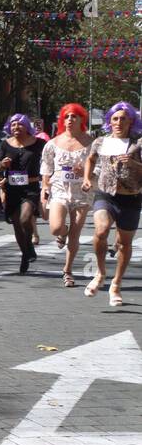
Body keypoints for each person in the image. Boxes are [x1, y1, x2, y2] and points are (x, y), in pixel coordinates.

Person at [82, 101, 142, 306]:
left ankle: (116, 284)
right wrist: (87, 178)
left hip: (131, 197)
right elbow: (90, 159)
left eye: (123, 118)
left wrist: (133, 162)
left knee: (124, 244)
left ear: (131, 121)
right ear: (109, 121)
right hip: (105, 194)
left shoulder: (139, 143)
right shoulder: (100, 141)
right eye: (114, 119)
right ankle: (100, 274)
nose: (118, 122)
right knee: (101, 230)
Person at [41, 103, 93, 288]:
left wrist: (86, 173)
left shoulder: (91, 143)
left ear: (81, 119)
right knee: (56, 228)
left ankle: (68, 270)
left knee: (76, 234)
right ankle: (61, 233)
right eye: (66, 116)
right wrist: (44, 189)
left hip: (82, 192)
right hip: (59, 190)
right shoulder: (53, 144)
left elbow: (100, 168)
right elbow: (46, 167)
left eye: (74, 116)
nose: (70, 120)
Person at [0, 114, 46, 275]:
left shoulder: (39, 144)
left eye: (20, 124)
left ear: (27, 127)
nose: (16, 127)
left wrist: (46, 184)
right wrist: (2, 165)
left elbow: (47, 164)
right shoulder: (5, 144)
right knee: (17, 224)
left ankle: (29, 246)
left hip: (30, 187)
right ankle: (25, 254)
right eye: (13, 125)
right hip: (11, 188)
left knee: (25, 218)